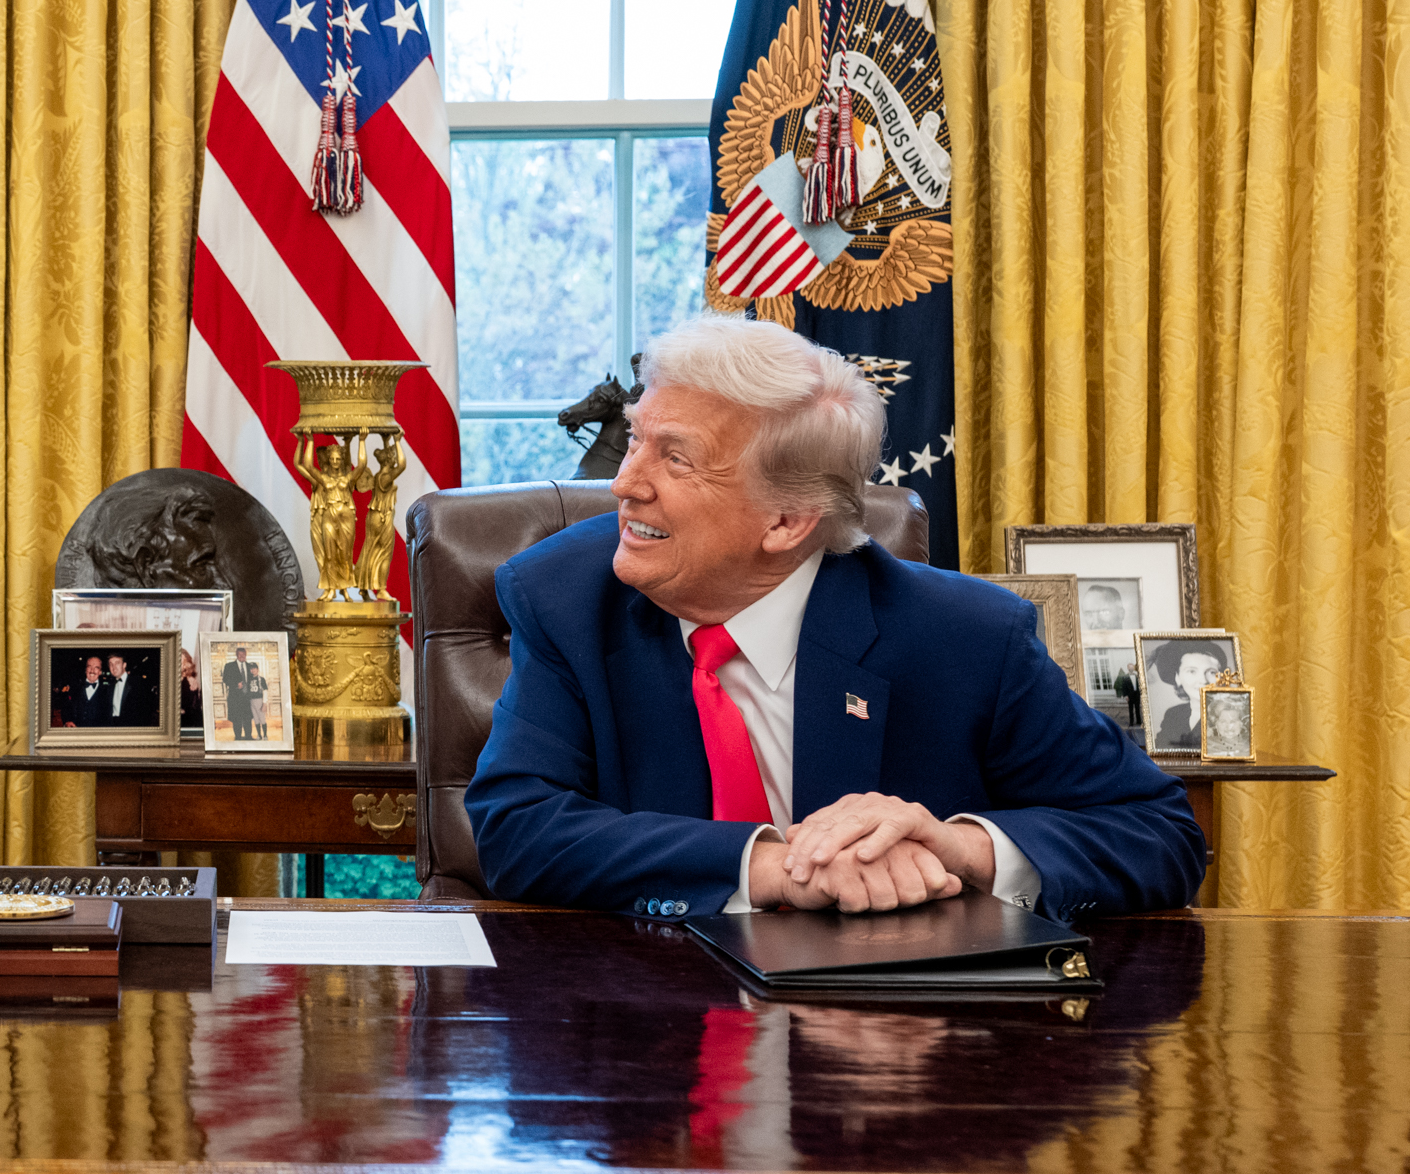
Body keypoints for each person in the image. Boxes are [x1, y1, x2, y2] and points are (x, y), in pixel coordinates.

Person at [464, 314, 1206, 920]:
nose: (625, 483)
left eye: (676, 459)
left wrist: (956, 846)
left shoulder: (967, 637)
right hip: (642, 1035)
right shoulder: (564, 596)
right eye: (636, 439)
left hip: (897, 1039)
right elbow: (517, 829)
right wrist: (778, 867)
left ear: (787, 521)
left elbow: (1156, 834)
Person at [1145, 638, 1229, 751]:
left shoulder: (1231, 714)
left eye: (1212, 672)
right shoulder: (1173, 715)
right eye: (1192, 671)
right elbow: (1159, 752)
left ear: (1222, 678)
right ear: (1178, 677)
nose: (1203, 680)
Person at [222, 644, 255, 742]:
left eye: (244, 655)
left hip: (247, 698)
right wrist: (236, 684)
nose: (242, 657)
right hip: (235, 697)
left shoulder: (250, 666)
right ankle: (238, 738)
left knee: (247, 718)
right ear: (236, 655)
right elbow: (225, 679)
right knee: (237, 719)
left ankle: (248, 737)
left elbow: (253, 681)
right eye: (240, 655)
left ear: (246, 655)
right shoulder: (229, 666)